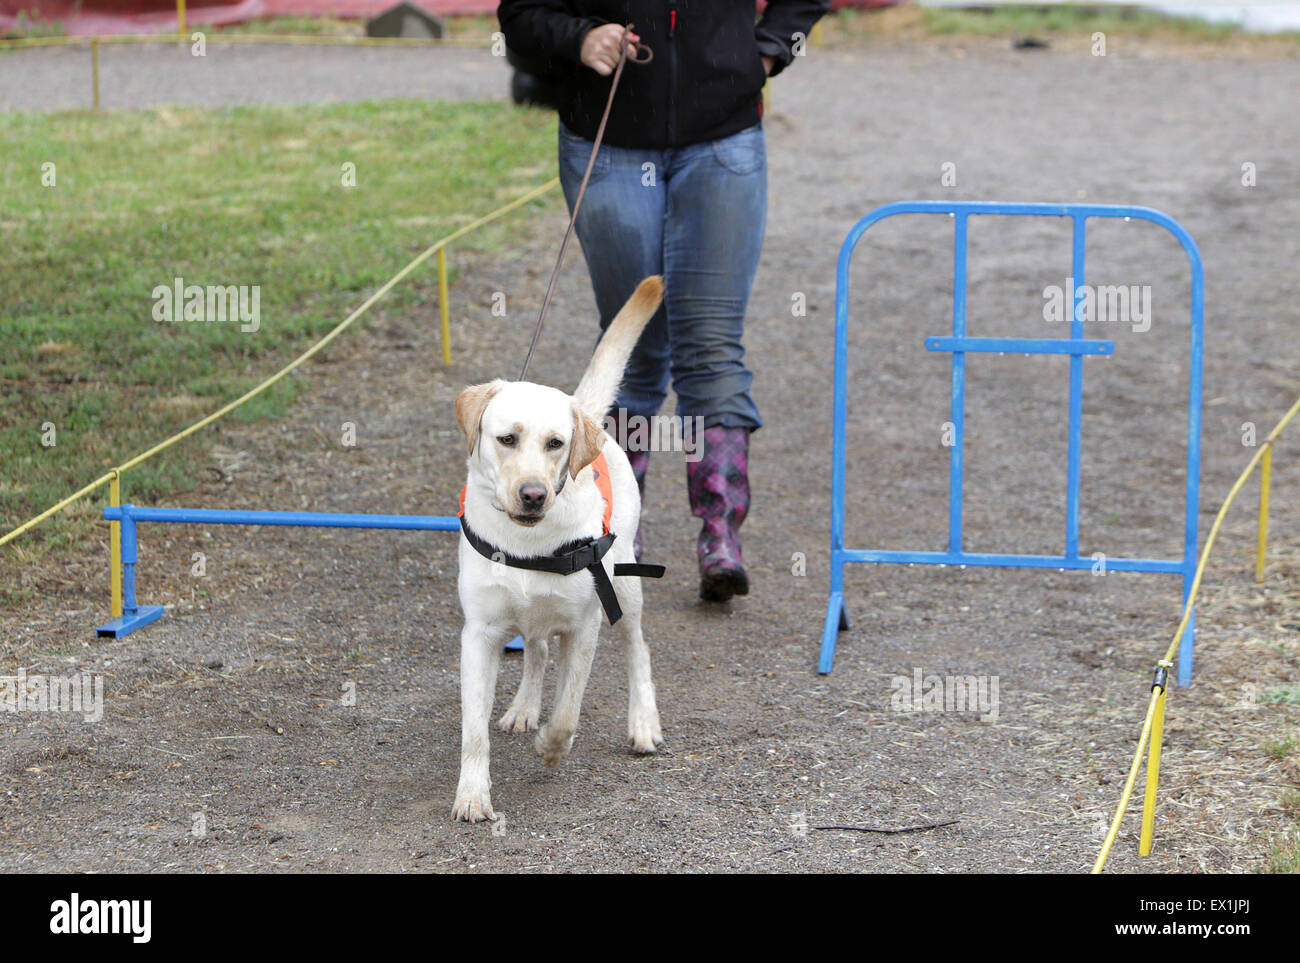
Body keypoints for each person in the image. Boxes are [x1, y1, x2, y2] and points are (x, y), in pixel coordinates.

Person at [499, 1, 831, 603]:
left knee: (711, 346)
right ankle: (616, 534)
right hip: (608, 143)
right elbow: (521, 12)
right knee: (635, 351)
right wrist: (580, 37)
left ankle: (720, 535)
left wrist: (767, 49)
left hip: (724, 139)